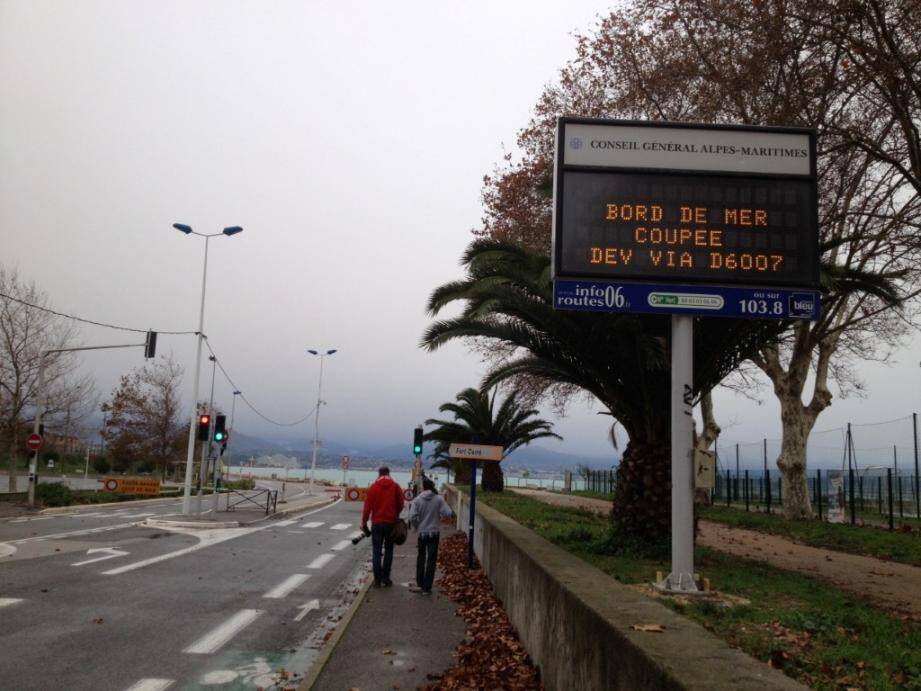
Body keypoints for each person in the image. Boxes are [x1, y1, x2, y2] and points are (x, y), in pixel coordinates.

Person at [407, 477, 453, 595]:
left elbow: (412, 517)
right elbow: (448, 513)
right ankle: (427, 588)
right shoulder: (438, 499)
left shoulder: (417, 500)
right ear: (432, 487)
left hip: (422, 533)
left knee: (421, 557)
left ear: (423, 487)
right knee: (431, 559)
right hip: (434, 533)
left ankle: (420, 582)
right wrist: (442, 516)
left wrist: (417, 526)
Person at [361, 466, 404, 587]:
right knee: (389, 550)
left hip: (377, 524)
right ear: (389, 473)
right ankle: (386, 578)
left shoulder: (373, 488)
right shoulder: (395, 486)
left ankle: (377, 580)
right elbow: (401, 504)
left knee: (376, 552)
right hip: (391, 523)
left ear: (379, 474)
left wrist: (364, 524)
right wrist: (396, 514)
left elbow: (367, 509)